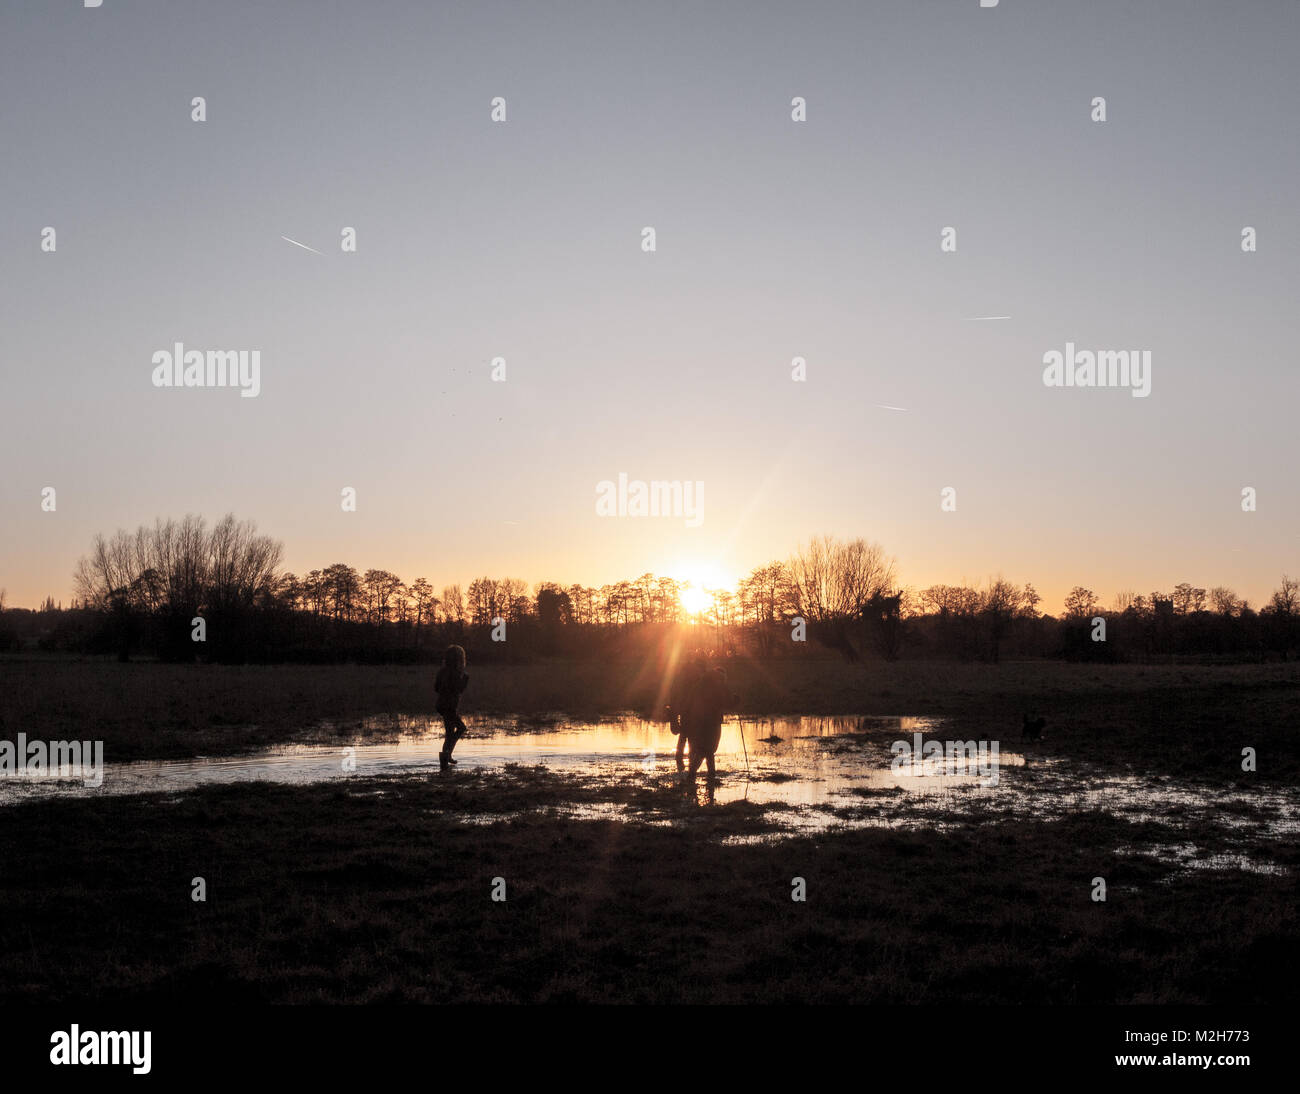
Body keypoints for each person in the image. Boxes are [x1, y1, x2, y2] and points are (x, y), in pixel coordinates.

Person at [683, 664, 738, 779]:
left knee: (703, 749)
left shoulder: (700, 684)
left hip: (697, 721)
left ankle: (707, 774)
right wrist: (736, 701)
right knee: (709, 749)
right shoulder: (720, 685)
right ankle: (696, 773)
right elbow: (727, 703)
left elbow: (689, 701)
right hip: (712, 722)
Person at [667, 657, 706, 772]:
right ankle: (688, 764)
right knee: (690, 738)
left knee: (683, 737)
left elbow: (674, 693)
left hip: (684, 711)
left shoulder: (682, 677)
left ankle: (681, 764)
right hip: (691, 711)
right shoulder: (695, 678)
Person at [435, 645, 469, 769]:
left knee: (450, 732)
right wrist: (465, 678)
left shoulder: (442, 671)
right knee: (461, 728)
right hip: (449, 706)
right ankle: (446, 755)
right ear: (459, 659)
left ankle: (445, 760)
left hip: (442, 705)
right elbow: (459, 689)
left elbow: (436, 688)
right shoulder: (456, 673)